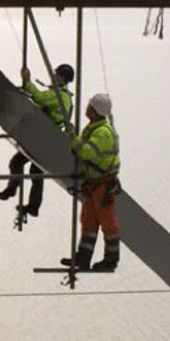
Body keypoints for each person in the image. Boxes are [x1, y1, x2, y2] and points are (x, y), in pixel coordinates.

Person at [0, 64, 74, 217]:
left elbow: (40, 98)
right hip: (46, 139)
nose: (54, 75)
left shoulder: (59, 95)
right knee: (35, 172)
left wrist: (27, 81)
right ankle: (33, 206)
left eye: (56, 74)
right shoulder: (62, 95)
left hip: (43, 138)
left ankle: (13, 190)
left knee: (18, 163)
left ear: (63, 77)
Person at [60, 93, 121, 272]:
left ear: (95, 110)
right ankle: (83, 258)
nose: (86, 108)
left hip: (102, 186)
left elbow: (86, 152)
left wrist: (73, 136)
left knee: (107, 222)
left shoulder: (102, 133)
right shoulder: (96, 128)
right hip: (95, 185)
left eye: (90, 106)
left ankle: (111, 261)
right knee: (88, 222)